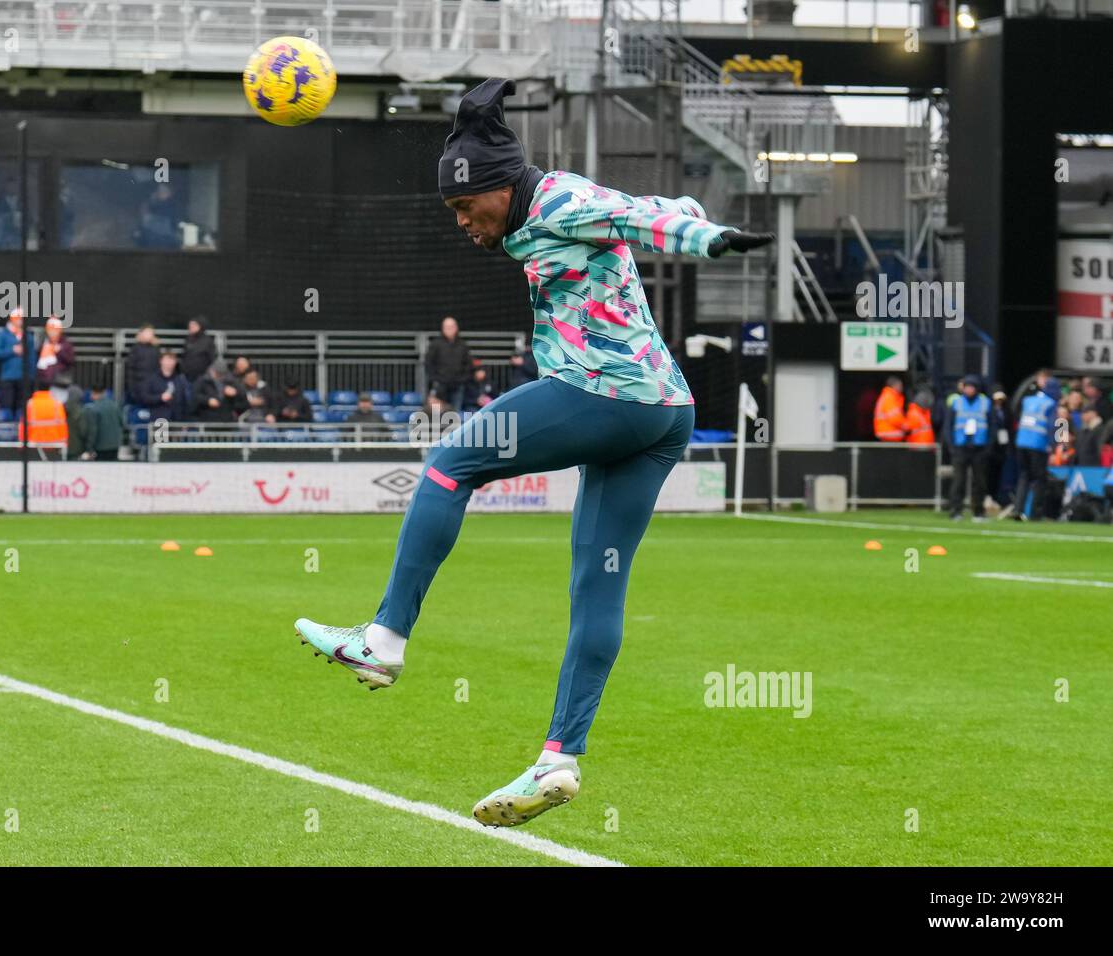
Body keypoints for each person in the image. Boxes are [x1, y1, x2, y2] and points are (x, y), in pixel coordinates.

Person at [291, 78, 773, 828]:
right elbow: (646, 211)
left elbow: (635, 219)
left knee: (451, 464)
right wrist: (688, 214)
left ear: (499, 188)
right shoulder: (539, 206)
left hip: (606, 393)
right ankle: (559, 758)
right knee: (597, 587)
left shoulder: (557, 204)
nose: (461, 222)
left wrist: (703, 237)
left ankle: (384, 639)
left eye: (464, 207)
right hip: (662, 413)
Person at [1011, 372, 1056, 521]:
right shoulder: (1051, 403)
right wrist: (1057, 445)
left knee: (1024, 476)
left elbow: (1017, 415)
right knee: (1040, 479)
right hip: (1038, 445)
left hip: (1022, 442)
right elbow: (1054, 426)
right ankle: (1035, 513)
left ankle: (1018, 509)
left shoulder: (1028, 400)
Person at [947, 374, 991, 521]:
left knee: (980, 481)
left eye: (972, 387)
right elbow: (948, 426)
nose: (969, 389)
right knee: (958, 480)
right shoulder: (956, 403)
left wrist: (988, 447)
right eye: (967, 386)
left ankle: (978, 511)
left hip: (979, 447)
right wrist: (952, 446)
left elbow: (992, 426)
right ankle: (955, 510)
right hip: (961, 447)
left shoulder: (985, 403)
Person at [0, 309, 34, 417]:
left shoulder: (27, 336)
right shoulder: (2, 335)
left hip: (23, 377)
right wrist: (12, 350)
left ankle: (21, 431)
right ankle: (6, 433)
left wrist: (31, 376)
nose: (20, 321)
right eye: (18, 319)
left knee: (22, 407)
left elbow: (32, 357)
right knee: (6, 406)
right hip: (7, 377)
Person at [425, 316, 472, 410]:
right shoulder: (436, 344)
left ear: (456, 328)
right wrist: (436, 379)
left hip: (457, 385)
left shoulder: (462, 345)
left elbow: (468, 364)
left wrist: (462, 379)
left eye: (451, 327)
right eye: (447, 327)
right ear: (442, 328)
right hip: (440, 386)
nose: (449, 329)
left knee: (455, 414)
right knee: (437, 415)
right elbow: (428, 363)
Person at [138, 351, 190, 423]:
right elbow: (144, 397)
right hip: (159, 420)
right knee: (160, 434)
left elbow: (185, 403)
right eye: (167, 360)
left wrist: (185, 423)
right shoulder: (152, 379)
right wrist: (160, 397)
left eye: (172, 360)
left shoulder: (180, 380)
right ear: (161, 361)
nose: (169, 363)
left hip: (177, 421)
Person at [82, 386, 125, 460]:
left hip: (100, 447)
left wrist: (89, 448)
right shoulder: (115, 406)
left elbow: (93, 430)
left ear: (94, 393)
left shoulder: (93, 408)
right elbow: (122, 423)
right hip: (115, 445)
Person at [35, 316, 76, 389]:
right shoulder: (43, 343)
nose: (52, 332)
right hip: (42, 380)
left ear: (60, 330)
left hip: (59, 381)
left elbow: (71, 360)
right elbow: (36, 358)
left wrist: (60, 351)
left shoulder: (66, 344)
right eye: (50, 330)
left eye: (55, 330)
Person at [125, 325, 161, 403]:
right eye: (147, 333)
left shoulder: (156, 349)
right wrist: (131, 388)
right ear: (141, 334)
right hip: (138, 385)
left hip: (152, 386)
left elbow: (159, 368)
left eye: (151, 333)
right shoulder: (135, 348)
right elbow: (130, 370)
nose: (149, 335)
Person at [181, 317, 217, 383]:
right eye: (190, 326)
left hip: (201, 376)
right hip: (187, 375)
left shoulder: (208, 341)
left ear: (200, 326)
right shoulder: (188, 339)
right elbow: (184, 355)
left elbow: (213, 359)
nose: (190, 327)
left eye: (193, 325)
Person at [873, 376, 907, 442]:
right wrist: (905, 425)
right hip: (889, 432)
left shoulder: (888, 396)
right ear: (894, 385)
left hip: (886, 432)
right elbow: (895, 417)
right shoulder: (890, 397)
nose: (902, 388)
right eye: (900, 385)